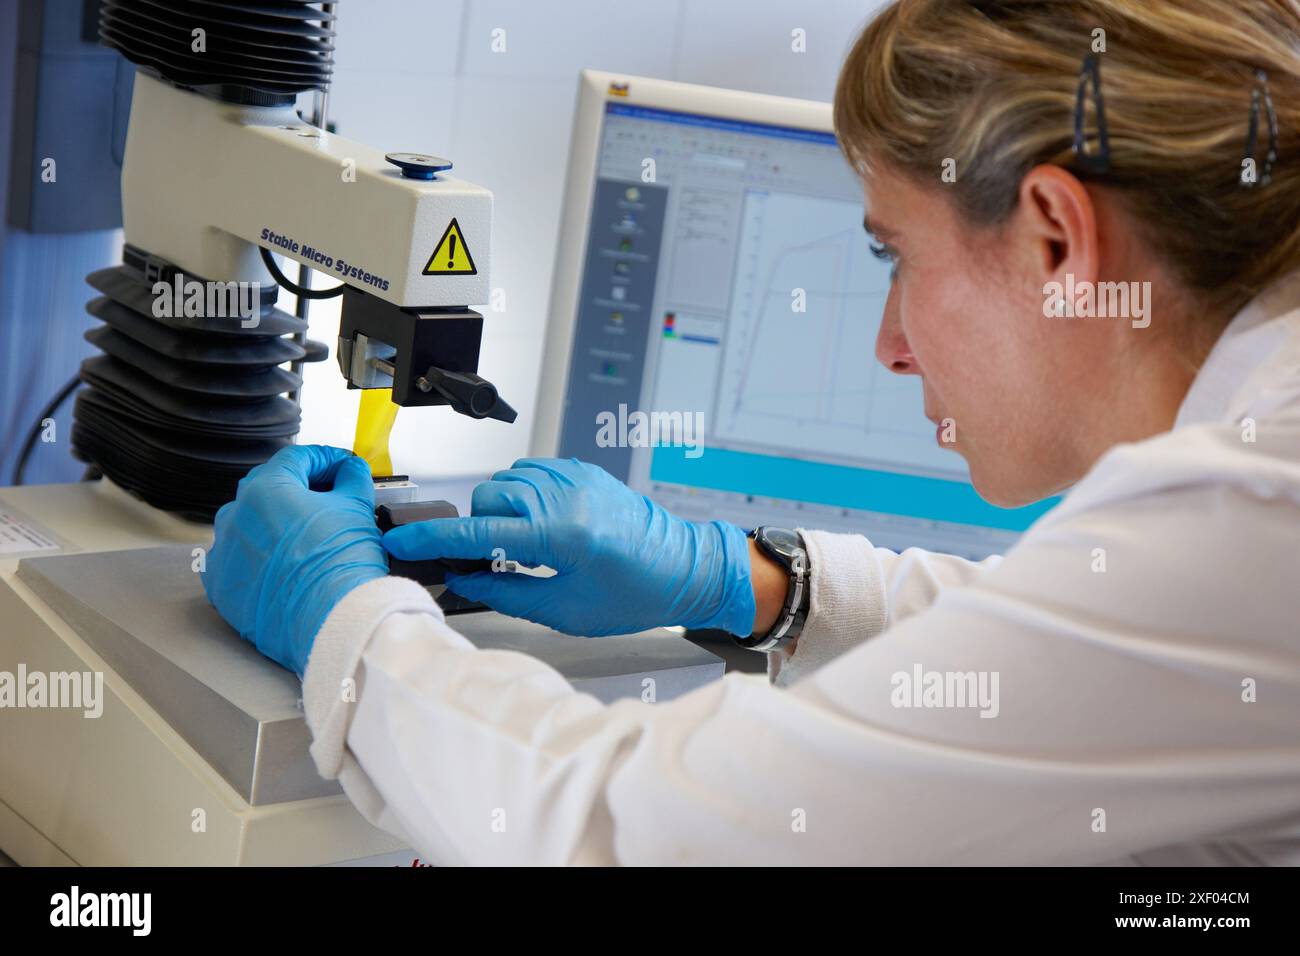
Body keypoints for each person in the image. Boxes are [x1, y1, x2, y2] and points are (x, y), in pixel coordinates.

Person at [202, 0, 1300, 865]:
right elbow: (1102, 661)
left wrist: (349, 619)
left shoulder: (1251, 509)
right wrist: (752, 582)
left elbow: (628, 838)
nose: (887, 344)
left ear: (1055, 238)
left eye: (893, 256)